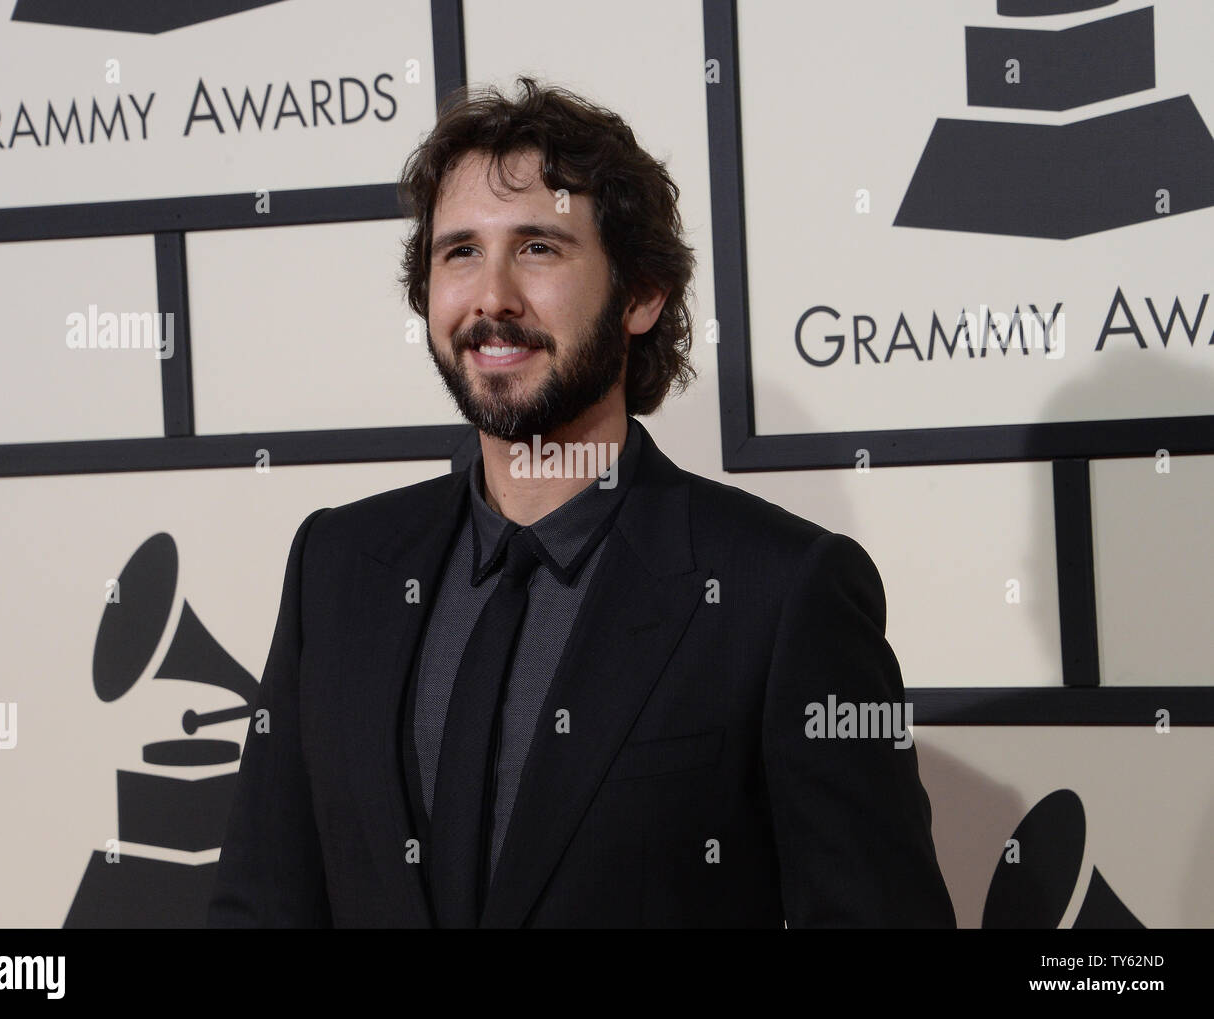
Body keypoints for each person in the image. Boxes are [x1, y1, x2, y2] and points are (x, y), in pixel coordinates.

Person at [208, 77, 955, 928]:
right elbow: (261, 905)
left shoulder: (782, 592)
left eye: (538, 248)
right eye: (459, 253)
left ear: (640, 295)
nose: (491, 297)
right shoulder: (336, 568)